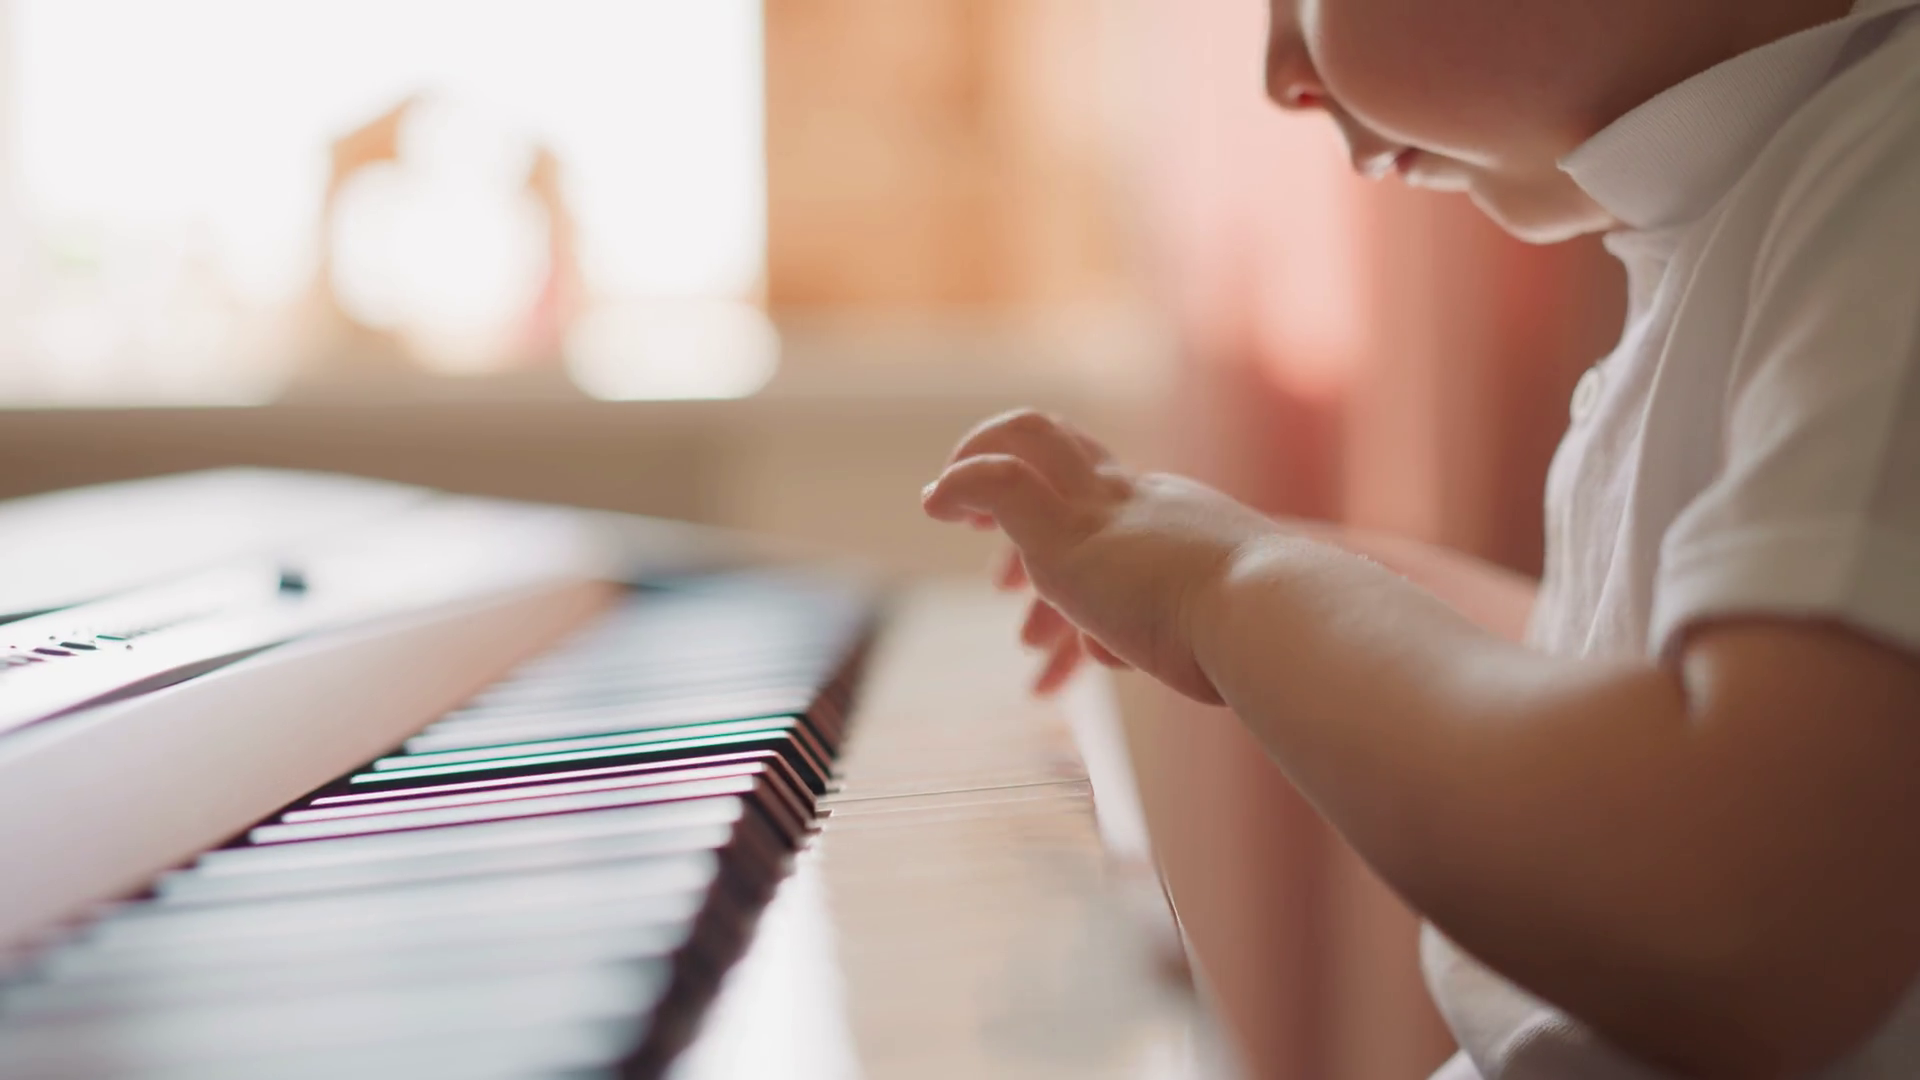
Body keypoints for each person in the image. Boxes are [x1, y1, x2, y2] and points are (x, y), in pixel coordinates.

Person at [919, 1, 1920, 1076]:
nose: (1280, 72)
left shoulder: (1890, 181)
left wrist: (1228, 585)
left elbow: (1742, 911)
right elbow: (1610, 690)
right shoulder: (1784, 195)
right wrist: (1291, 575)